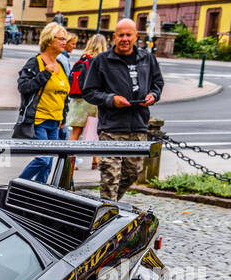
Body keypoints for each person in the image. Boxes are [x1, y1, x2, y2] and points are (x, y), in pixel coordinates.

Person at [83, 18, 164, 202]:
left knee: (133, 172)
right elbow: (89, 92)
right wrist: (111, 100)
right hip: (111, 128)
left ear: (136, 36)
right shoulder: (102, 61)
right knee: (110, 177)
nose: (125, 39)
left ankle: (109, 205)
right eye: (121, 35)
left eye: (129, 35)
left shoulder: (147, 59)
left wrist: (153, 94)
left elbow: (157, 82)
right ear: (114, 37)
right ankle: (107, 214)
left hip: (138, 126)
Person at [14, 23, 71, 184]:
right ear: (49, 40)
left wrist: (63, 120)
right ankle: (17, 185)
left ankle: (41, 193)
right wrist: (45, 74)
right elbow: (24, 86)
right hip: (39, 120)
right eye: (61, 39)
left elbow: (64, 96)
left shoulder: (61, 65)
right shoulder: (36, 63)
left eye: (65, 39)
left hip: (55, 122)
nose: (64, 42)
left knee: (48, 164)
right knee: (43, 160)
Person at [66, 32, 107, 167]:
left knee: (75, 133)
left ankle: (70, 162)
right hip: (93, 101)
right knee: (96, 131)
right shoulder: (101, 61)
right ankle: (95, 160)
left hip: (78, 100)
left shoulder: (83, 59)